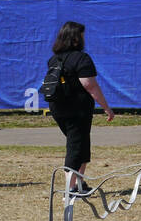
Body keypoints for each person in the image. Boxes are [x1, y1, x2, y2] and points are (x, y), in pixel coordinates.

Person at [44, 21, 114, 192]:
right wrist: (106, 107)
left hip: (57, 107)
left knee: (81, 143)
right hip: (76, 109)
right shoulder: (81, 58)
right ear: (75, 39)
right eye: (82, 36)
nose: (84, 39)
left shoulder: (54, 59)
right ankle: (69, 190)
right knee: (75, 146)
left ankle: (79, 183)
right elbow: (89, 84)